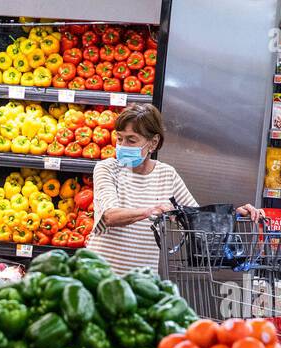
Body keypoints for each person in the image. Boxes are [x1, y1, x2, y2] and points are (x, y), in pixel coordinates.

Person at [85, 103, 260, 275]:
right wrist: (149, 211)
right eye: (119, 138)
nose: (122, 146)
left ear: (153, 143)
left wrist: (235, 214)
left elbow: (198, 219)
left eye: (131, 140)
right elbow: (109, 215)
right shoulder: (107, 169)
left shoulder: (166, 174)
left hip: (142, 282)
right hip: (99, 277)